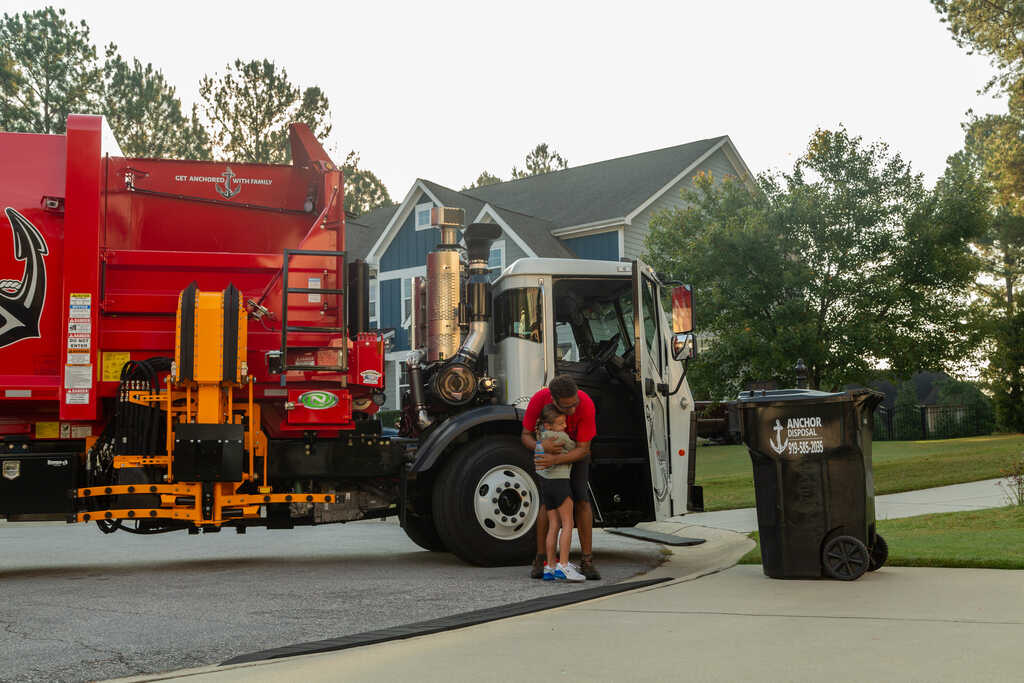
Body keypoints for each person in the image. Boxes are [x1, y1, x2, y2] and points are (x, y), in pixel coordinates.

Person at [521, 374, 601, 580]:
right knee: (547, 504)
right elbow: (525, 435)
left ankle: (587, 560)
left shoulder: (586, 404)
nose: (572, 410)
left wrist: (556, 459)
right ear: (553, 400)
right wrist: (540, 446)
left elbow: (584, 449)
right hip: (547, 452)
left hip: (576, 452)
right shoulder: (539, 400)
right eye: (567, 407)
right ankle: (541, 560)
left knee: (582, 499)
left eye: (575, 403)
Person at [535, 404, 586, 582]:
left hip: (547, 485)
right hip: (560, 484)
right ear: (548, 425)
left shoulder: (540, 440)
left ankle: (550, 567)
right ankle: (563, 565)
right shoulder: (561, 437)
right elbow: (578, 449)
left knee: (554, 525)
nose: (565, 426)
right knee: (568, 523)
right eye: (561, 423)